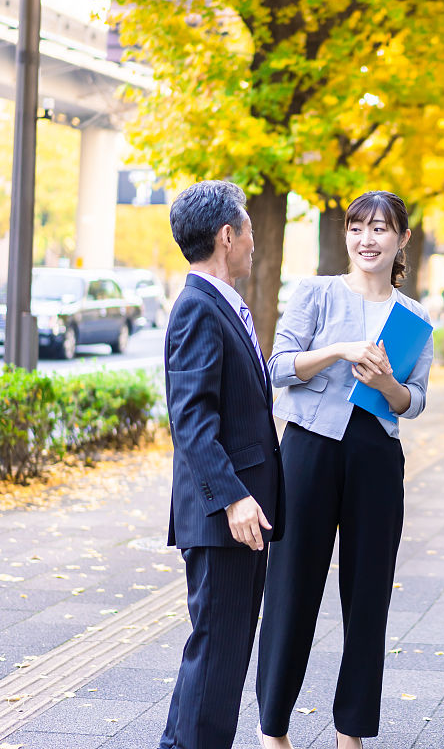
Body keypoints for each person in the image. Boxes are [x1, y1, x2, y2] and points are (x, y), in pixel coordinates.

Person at [257, 191, 434, 749]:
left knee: (368, 595)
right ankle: (273, 728)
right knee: (291, 586)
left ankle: (351, 732)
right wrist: (337, 350)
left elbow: (417, 399)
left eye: (381, 229)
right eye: (358, 228)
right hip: (309, 449)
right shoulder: (317, 292)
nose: (367, 239)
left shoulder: (414, 317)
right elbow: (277, 368)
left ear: (402, 240)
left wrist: (388, 386)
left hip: (376, 456)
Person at [160, 180, 285, 749]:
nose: (256, 243)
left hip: (236, 511)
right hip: (225, 514)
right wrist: (234, 497)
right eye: (250, 231)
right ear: (227, 236)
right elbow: (190, 420)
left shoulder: (219, 303)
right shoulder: (198, 308)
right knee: (218, 652)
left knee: (216, 650)